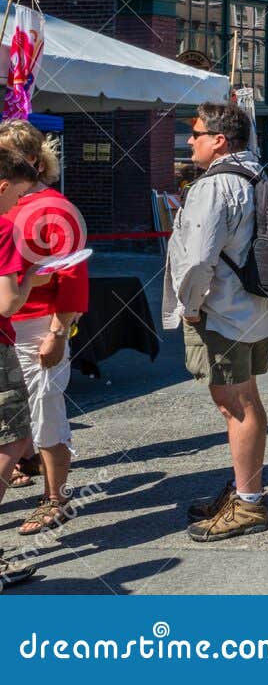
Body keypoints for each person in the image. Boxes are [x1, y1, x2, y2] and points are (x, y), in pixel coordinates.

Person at [164, 102, 268, 541]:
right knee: (247, 399)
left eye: (196, 133)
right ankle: (245, 487)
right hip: (256, 307)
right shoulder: (258, 173)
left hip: (222, 312)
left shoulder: (213, 186)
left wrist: (190, 307)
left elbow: (197, 260)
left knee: (235, 405)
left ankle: (249, 503)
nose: (190, 141)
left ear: (219, 140)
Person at [0, 122, 87, 537]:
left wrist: (58, 331)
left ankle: (56, 497)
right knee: (13, 417)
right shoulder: (8, 203)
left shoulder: (55, 208)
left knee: (45, 411)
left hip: (36, 326)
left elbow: (72, 277)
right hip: (8, 326)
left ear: (31, 160)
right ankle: (24, 462)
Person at [0, 146, 44, 585]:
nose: (18, 204)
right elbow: (7, 302)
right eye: (17, 195)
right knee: (11, 441)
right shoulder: (2, 229)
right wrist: (32, 276)